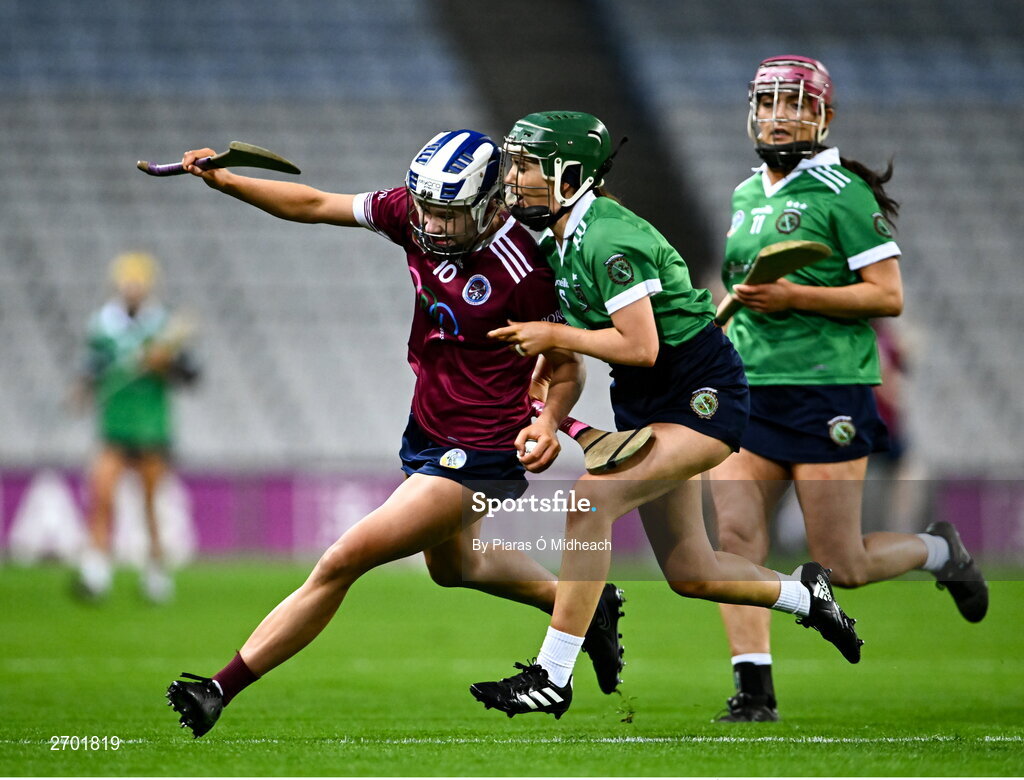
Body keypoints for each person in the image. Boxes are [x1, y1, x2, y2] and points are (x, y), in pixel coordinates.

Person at [163, 130, 627, 738]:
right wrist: (226, 181)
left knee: (342, 559)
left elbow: (566, 367)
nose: (431, 224)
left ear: (490, 204)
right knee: (457, 567)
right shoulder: (412, 212)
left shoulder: (526, 271)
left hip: (483, 449)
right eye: (426, 208)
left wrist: (545, 422)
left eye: (448, 214)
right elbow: (315, 204)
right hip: (428, 428)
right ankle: (587, 603)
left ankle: (219, 688)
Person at [469, 110, 862, 721]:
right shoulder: (558, 238)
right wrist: (547, 419)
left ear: (569, 176)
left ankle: (552, 675)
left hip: (701, 396)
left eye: (526, 166)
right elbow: (566, 356)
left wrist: (554, 334)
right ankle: (806, 596)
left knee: (590, 500)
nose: (513, 178)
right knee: (692, 572)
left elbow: (641, 346)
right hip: (643, 400)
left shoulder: (609, 239)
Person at [708, 55, 988, 723]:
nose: (779, 116)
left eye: (795, 104)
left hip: (827, 391)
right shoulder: (747, 195)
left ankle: (941, 551)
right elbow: (745, 293)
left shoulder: (846, 194)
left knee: (842, 564)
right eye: (768, 103)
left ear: (824, 116)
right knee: (736, 540)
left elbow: (887, 296)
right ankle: (754, 689)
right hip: (750, 391)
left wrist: (795, 296)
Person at [74, 251, 199, 604]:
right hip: (114, 426)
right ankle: (96, 573)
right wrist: (83, 388)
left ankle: (155, 574)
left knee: (150, 505)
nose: (132, 289)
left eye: (138, 283)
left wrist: (165, 363)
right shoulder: (102, 325)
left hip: (152, 428)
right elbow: (91, 368)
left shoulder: (164, 325)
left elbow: (190, 376)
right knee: (102, 497)